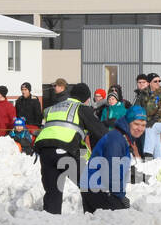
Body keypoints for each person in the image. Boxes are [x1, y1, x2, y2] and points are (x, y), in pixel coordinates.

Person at [33, 81, 106, 214]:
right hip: (64, 150)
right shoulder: (81, 108)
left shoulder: (53, 107)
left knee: (52, 192)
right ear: (87, 99)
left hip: (45, 152)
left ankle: (50, 224)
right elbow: (100, 131)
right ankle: (94, 219)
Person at [80, 109, 147, 212]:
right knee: (120, 220)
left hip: (96, 187)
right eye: (136, 124)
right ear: (128, 122)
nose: (140, 128)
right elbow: (112, 170)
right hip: (97, 189)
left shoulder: (120, 137)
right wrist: (120, 196)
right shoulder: (116, 140)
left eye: (143, 125)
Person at [138, 73, 161, 158]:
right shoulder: (144, 93)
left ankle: (148, 154)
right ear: (149, 83)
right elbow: (140, 107)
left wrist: (154, 119)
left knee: (150, 129)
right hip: (148, 121)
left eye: (159, 81)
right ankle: (158, 160)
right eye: (155, 81)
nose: (158, 83)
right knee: (156, 140)